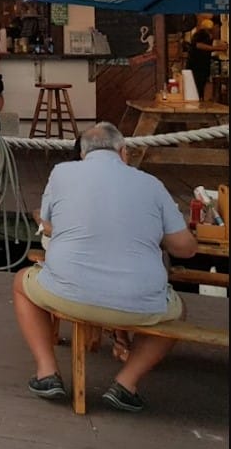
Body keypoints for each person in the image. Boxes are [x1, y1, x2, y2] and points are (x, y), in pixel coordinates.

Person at [12, 122, 197, 412]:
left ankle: (47, 372)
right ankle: (126, 383)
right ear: (123, 152)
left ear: (83, 154)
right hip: (139, 303)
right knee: (177, 312)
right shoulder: (151, 184)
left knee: (21, 282)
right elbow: (185, 249)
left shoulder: (61, 173)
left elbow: (48, 225)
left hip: (66, 293)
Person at [186, 17, 226, 100]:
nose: (218, 30)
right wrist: (218, 48)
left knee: (201, 87)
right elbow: (198, 45)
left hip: (203, 67)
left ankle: (201, 100)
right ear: (214, 26)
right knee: (196, 87)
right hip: (195, 66)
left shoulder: (209, 36)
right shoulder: (201, 33)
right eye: (218, 27)